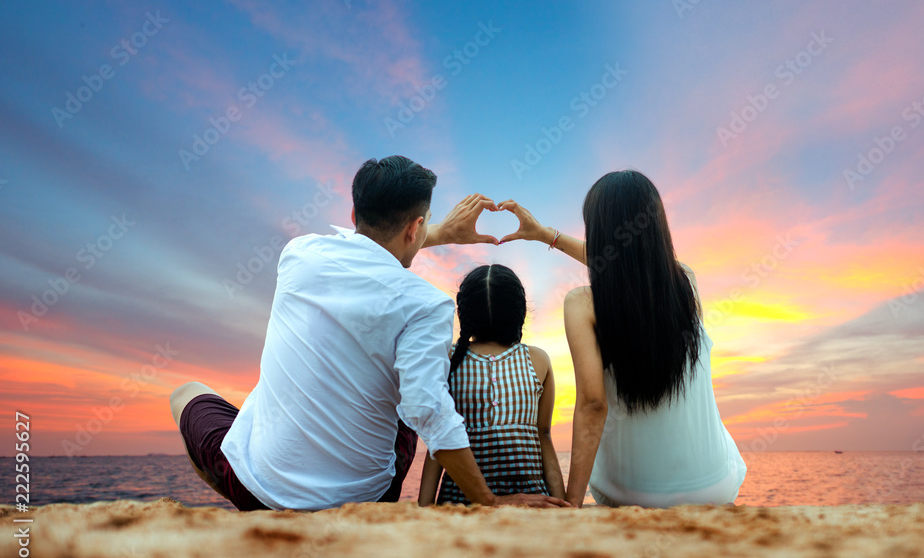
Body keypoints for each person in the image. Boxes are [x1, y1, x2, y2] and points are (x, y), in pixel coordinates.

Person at [169, 156, 570, 511]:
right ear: (416, 226)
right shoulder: (426, 304)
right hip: (363, 501)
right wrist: (489, 502)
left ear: (352, 214)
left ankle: (252, 498)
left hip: (255, 490)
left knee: (183, 394)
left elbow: (374, 245)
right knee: (415, 389)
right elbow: (426, 410)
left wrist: (438, 232)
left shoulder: (298, 255)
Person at [497, 170, 747, 508]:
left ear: (596, 230)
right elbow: (634, 264)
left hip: (630, 493)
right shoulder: (686, 283)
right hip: (713, 488)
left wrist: (572, 503)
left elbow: (592, 404)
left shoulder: (581, 304)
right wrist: (546, 235)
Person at [418, 265, 566, 506]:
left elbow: (438, 438)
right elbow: (544, 436)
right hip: (518, 503)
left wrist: (425, 505)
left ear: (464, 312)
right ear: (519, 311)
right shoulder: (449, 359)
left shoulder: (447, 358)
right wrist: (560, 501)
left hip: (464, 505)